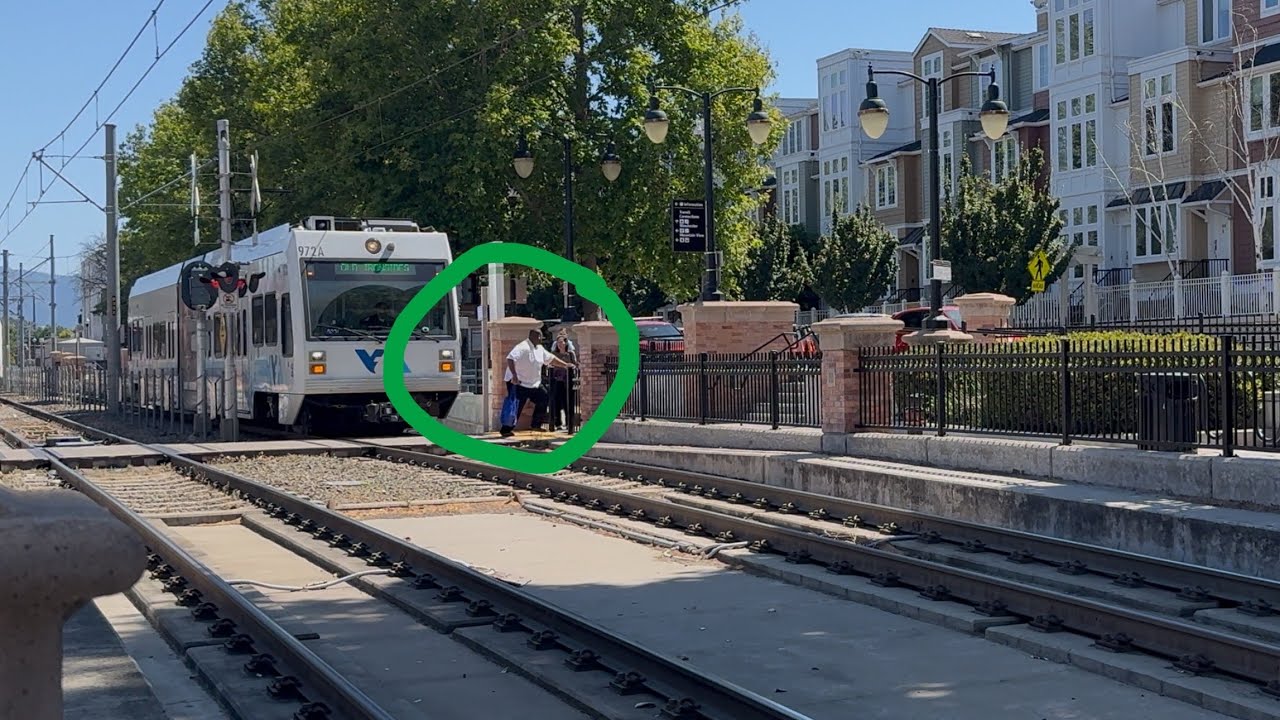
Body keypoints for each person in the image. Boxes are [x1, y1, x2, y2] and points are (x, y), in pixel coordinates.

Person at [501, 328, 575, 437]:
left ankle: (536, 424)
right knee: (516, 406)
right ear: (533, 336)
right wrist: (514, 376)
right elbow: (510, 358)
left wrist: (565, 365)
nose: (541, 338)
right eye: (540, 336)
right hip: (518, 382)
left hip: (534, 384)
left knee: (545, 397)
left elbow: (551, 359)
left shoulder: (540, 348)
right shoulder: (522, 347)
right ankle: (506, 430)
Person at [546, 330, 578, 431]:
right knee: (556, 402)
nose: (560, 344)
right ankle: (557, 423)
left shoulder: (570, 354)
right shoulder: (553, 354)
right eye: (558, 342)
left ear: (566, 343)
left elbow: (575, 364)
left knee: (567, 401)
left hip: (567, 380)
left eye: (562, 342)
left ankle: (569, 423)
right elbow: (549, 364)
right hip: (556, 380)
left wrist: (572, 367)